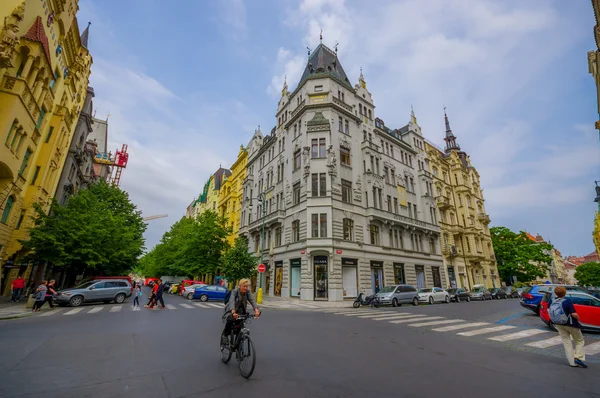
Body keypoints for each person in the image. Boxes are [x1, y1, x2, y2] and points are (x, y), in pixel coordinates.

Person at [551, 286, 587, 368]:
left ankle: (572, 363)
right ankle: (578, 357)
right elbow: (573, 314)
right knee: (579, 340)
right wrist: (578, 317)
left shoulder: (552, 301)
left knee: (566, 342)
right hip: (570, 324)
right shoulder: (567, 301)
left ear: (556, 293)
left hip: (559, 324)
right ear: (565, 292)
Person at [221, 279, 260, 346]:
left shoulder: (247, 292)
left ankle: (237, 346)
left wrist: (256, 310)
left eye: (247, 286)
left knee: (240, 325)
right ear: (240, 286)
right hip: (231, 310)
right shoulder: (235, 291)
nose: (245, 288)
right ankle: (225, 335)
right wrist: (233, 311)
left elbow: (252, 300)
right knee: (230, 319)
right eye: (244, 286)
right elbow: (231, 301)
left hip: (241, 311)